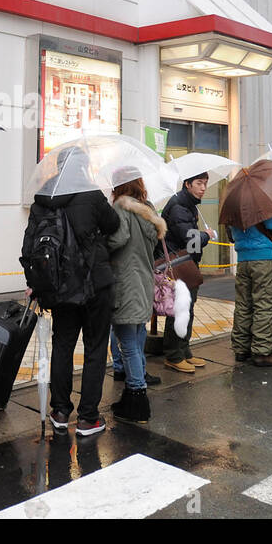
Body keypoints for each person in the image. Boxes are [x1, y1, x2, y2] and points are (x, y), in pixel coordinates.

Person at [26, 145, 119, 436]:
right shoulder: (92, 195)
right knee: (94, 349)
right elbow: (113, 224)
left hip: (60, 287)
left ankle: (60, 411)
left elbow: (29, 246)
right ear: (82, 166)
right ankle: (89, 418)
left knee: (63, 346)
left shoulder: (43, 197)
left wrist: (36, 284)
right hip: (94, 286)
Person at [106, 174, 165, 423]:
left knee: (127, 341)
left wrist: (100, 239)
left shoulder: (121, 207)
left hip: (125, 283)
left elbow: (118, 239)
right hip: (143, 282)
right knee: (137, 336)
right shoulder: (149, 211)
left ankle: (138, 399)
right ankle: (132, 393)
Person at [160, 172, 214, 374]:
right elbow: (190, 239)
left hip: (186, 265)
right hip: (179, 266)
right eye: (199, 183)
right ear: (187, 184)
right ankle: (173, 355)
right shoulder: (179, 207)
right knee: (179, 310)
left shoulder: (188, 205)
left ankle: (184, 351)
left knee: (188, 310)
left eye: (205, 184)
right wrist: (206, 235)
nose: (203, 188)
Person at [230, 208, 272, 362]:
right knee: (265, 303)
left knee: (243, 305)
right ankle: (261, 351)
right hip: (263, 259)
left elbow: (232, 234)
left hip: (242, 260)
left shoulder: (234, 205)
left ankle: (241, 348)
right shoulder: (260, 202)